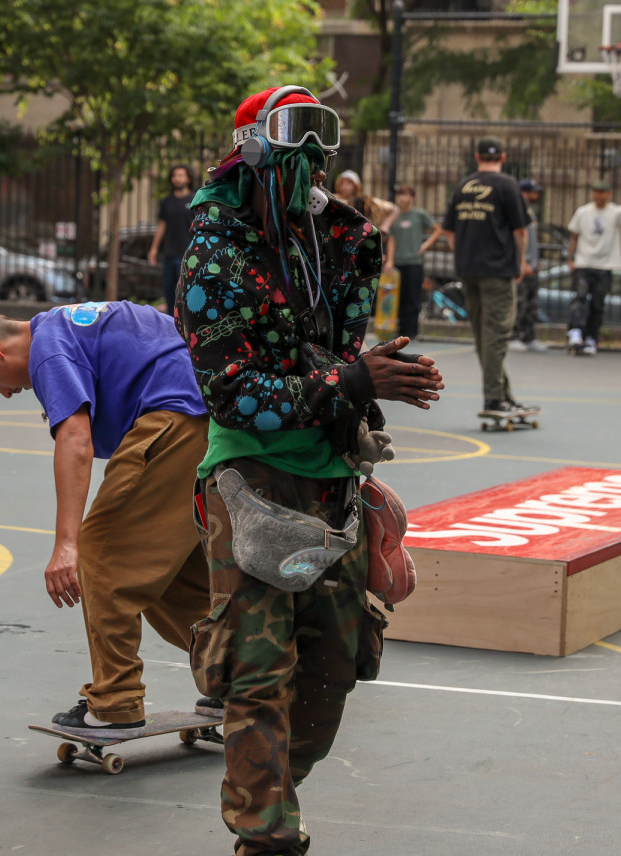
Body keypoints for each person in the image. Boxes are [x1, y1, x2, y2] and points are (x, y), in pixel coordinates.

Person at [175, 84, 444, 856]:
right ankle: (266, 836)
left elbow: (321, 352)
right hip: (253, 485)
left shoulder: (332, 242)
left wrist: (376, 375)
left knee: (336, 664)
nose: (314, 163)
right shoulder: (214, 253)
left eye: (321, 146)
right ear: (252, 148)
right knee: (258, 673)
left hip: (331, 481)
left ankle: (268, 794)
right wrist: (353, 383)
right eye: (296, 145)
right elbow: (235, 397)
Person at [0, 303, 212, 737]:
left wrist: (68, 544)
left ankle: (115, 702)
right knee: (162, 577)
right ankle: (242, 676)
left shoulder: (47, 351)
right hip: (205, 420)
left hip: (171, 419)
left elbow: (75, 439)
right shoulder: (70, 324)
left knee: (102, 555)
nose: (3, 392)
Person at [441, 136, 536, 418]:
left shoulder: (463, 186)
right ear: (503, 158)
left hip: (469, 269)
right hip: (497, 270)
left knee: (484, 335)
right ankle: (494, 399)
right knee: (497, 334)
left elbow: (449, 232)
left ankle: (503, 394)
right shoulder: (508, 185)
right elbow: (520, 231)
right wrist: (519, 262)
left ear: (476, 156)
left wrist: (464, 252)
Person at [565, 180, 621, 354]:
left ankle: (591, 337)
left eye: (602, 192)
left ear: (609, 194)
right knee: (580, 298)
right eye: (596, 192)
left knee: (598, 303)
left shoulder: (615, 212)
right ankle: (575, 332)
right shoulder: (583, 212)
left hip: (605, 265)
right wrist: (570, 258)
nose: (598, 196)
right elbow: (573, 236)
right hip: (584, 262)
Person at [385, 184, 442, 340]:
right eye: (399, 195)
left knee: (412, 297)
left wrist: (426, 245)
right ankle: (400, 330)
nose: (402, 198)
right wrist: (389, 260)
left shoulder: (419, 215)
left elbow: (437, 229)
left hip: (414, 262)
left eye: (405, 195)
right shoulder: (395, 216)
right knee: (399, 297)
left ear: (412, 197)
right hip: (398, 262)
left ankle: (412, 331)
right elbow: (391, 239)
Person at [146, 165, 197, 314]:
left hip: (189, 255)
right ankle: (171, 325)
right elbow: (161, 226)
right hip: (169, 255)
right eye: (175, 175)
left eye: (181, 175)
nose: (177, 179)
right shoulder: (167, 201)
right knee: (170, 293)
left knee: (187, 293)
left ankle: (187, 326)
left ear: (188, 178)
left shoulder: (194, 200)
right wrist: (154, 249)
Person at [510, 178, 547, 352]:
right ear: (524, 193)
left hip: (532, 264)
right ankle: (514, 336)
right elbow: (516, 237)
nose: (537, 195)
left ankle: (529, 336)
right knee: (519, 301)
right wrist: (522, 261)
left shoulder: (529, 211)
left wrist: (536, 261)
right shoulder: (515, 210)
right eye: (534, 191)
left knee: (532, 303)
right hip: (522, 265)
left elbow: (531, 240)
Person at [334, 169, 399, 235]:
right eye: (342, 183)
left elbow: (394, 209)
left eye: (348, 183)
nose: (344, 186)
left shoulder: (366, 201)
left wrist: (385, 226)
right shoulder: (333, 199)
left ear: (355, 185)